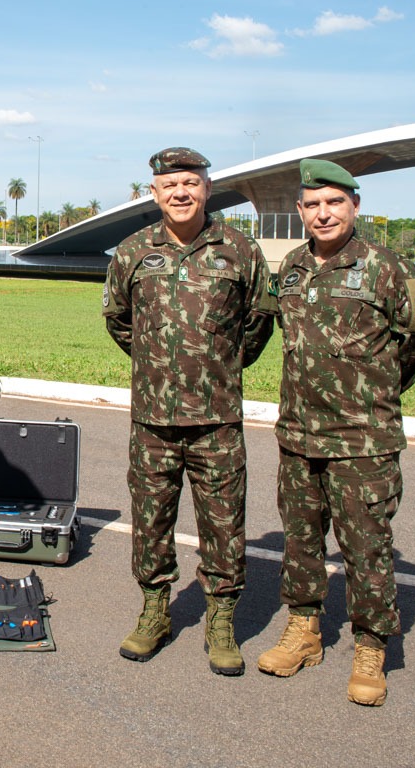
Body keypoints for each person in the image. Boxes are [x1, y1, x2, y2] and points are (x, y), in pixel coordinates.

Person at [257, 159, 415, 706]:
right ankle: (304, 631)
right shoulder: (289, 267)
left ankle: (370, 647)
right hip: (299, 436)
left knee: (367, 548)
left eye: (334, 202)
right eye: (312, 205)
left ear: (355, 206)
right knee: (301, 542)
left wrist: (375, 393)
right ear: (300, 212)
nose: (323, 213)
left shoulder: (388, 266)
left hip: (364, 442)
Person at [103, 147, 276, 675]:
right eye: (170, 184)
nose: (181, 192)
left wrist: (215, 366)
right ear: (153, 192)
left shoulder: (240, 251)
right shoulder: (132, 251)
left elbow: (259, 322)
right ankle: (155, 609)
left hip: (217, 420)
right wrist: (161, 365)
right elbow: (118, 320)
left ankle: (221, 618)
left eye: (191, 183)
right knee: (150, 519)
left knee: (225, 523)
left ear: (207, 188)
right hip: (153, 420)